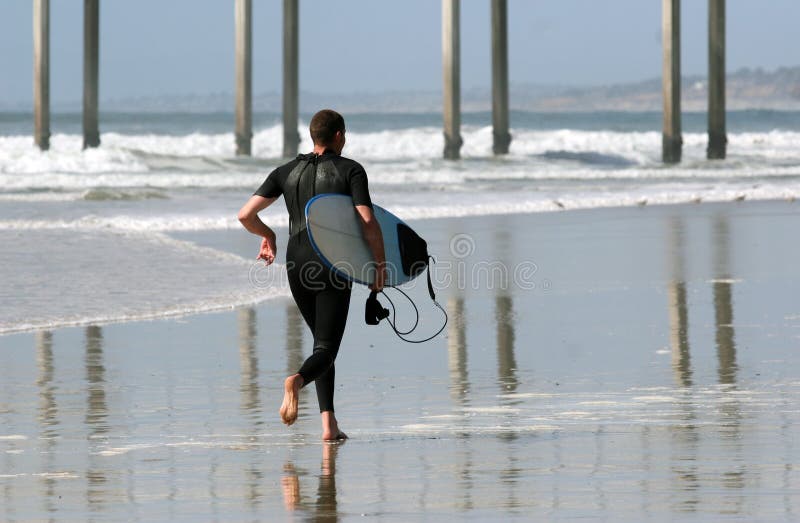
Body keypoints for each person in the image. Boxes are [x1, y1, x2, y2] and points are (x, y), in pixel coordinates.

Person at [238, 109, 386, 441]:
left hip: (297, 261)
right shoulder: (351, 170)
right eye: (344, 136)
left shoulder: (286, 171)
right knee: (326, 349)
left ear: (312, 136)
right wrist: (379, 265)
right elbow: (367, 221)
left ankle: (329, 426)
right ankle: (296, 381)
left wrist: (270, 235)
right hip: (332, 262)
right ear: (338, 136)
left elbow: (246, 214)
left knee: (322, 345)